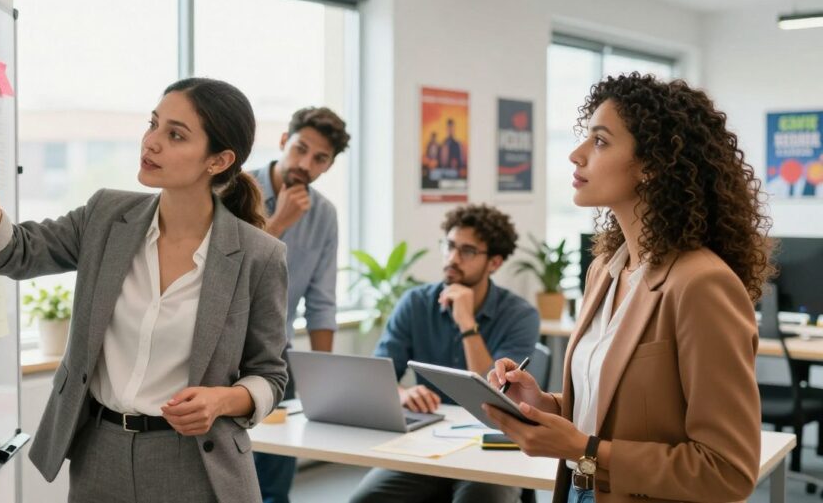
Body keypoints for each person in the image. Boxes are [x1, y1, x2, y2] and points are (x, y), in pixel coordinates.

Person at [0, 78, 289, 503]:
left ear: (218, 160)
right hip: (100, 451)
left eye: (175, 134)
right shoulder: (106, 216)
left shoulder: (259, 256)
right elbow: (9, 254)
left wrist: (223, 400)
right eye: (154, 124)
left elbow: (271, 376)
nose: (151, 142)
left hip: (196, 462)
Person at [484, 72, 772, 503]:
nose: (576, 155)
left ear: (652, 164)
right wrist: (545, 406)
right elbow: (619, 410)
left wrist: (582, 450)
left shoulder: (701, 284)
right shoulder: (604, 270)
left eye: (600, 141)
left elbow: (727, 471)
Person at [349, 203, 540, 503]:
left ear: (494, 263)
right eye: (449, 246)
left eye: (467, 251)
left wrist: (467, 323)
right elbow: (377, 376)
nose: (452, 258)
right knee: (364, 500)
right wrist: (400, 393)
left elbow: (494, 395)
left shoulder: (520, 315)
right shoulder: (415, 304)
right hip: (428, 444)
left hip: (490, 447)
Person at [248, 106, 350, 503]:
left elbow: (322, 303)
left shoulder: (324, 215)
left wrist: (323, 380)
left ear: (328, 165)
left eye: (319, 158)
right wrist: (279, 224)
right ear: (282, 142)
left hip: (276, 358)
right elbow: (225, 276)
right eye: (300, 149)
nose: (306, 164)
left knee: (275, 481)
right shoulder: (235, 189)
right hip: (218, 354)